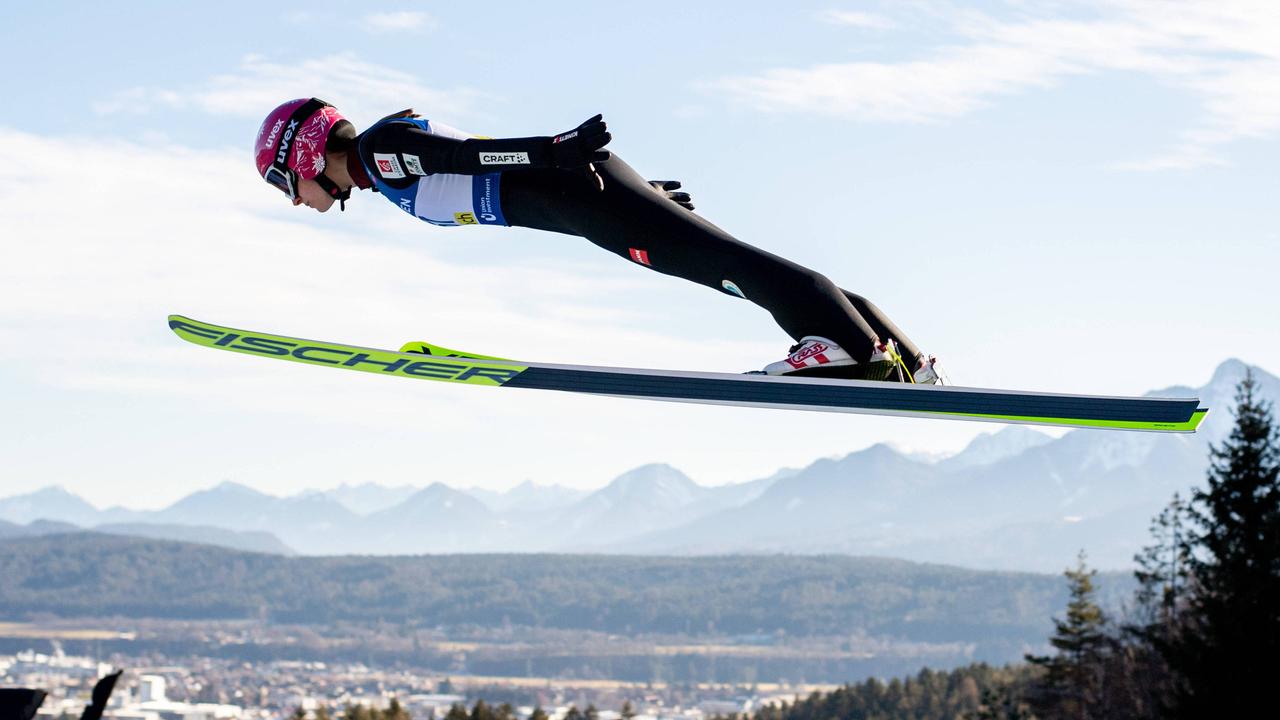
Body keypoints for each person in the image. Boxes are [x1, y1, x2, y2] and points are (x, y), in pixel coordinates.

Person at [253, 98, 945, 383]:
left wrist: (555, 152)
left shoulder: (379, 154)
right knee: (729, 262)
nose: (300, 203)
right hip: (591, 196)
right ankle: (897, 353)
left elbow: (467, 157)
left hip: (587, 195)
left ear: (307, 155)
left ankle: (848, 353)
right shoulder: (383, 158)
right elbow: (472, 158)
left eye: (290, 185)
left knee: (730, 268)